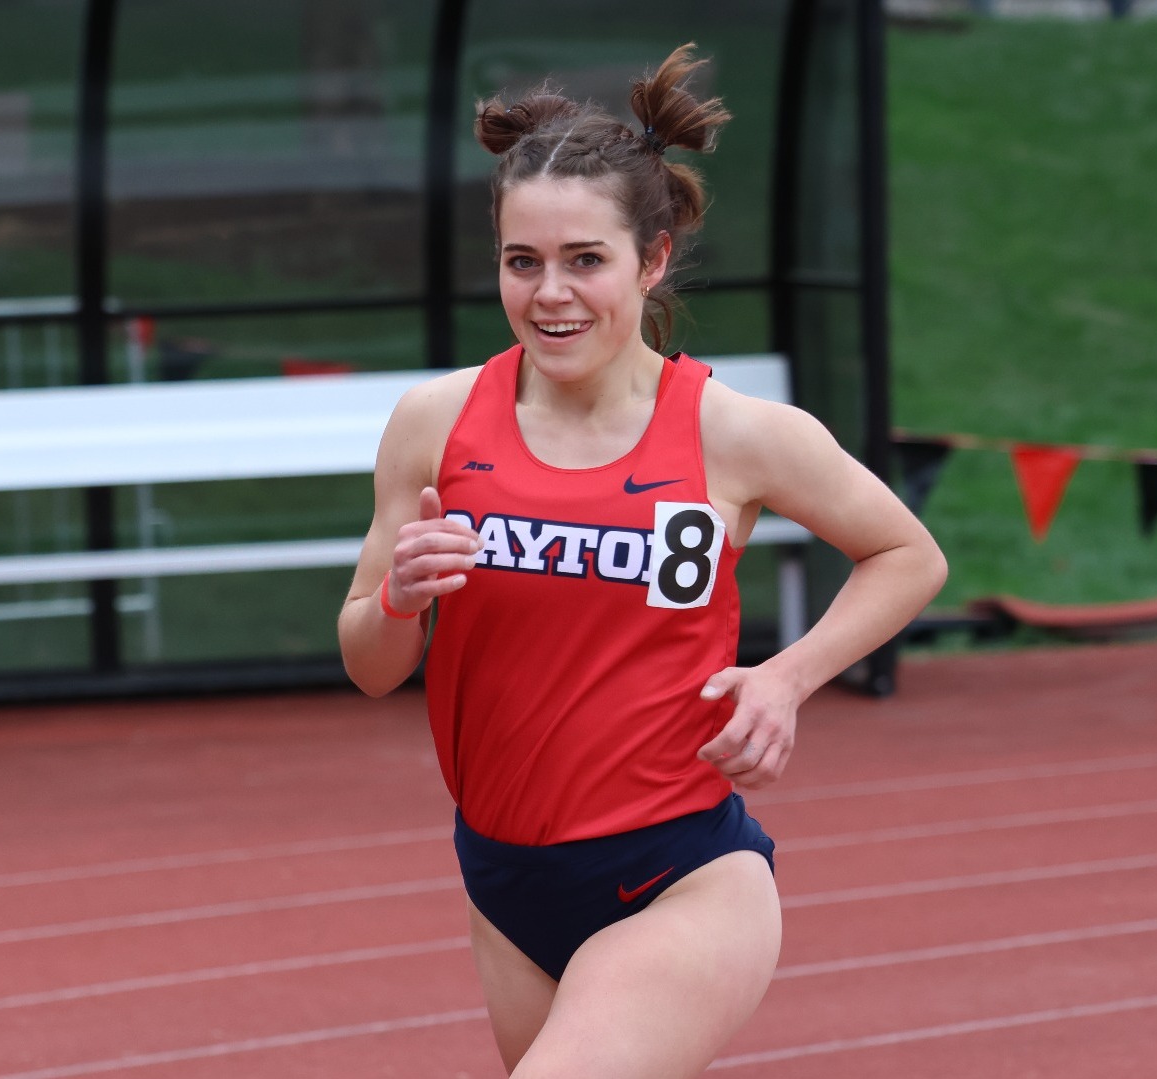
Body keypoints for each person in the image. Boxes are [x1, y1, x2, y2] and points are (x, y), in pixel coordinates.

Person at [337, 44, 946, 1079]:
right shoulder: (434, 422)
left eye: (586, 259)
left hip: (677, 872)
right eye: (521, 261)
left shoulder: (733, 432)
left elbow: (905, 553)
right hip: (503, 878)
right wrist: (398, 597)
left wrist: (785, 677)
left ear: (651, 259)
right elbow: (368, 664)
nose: (550, 293)